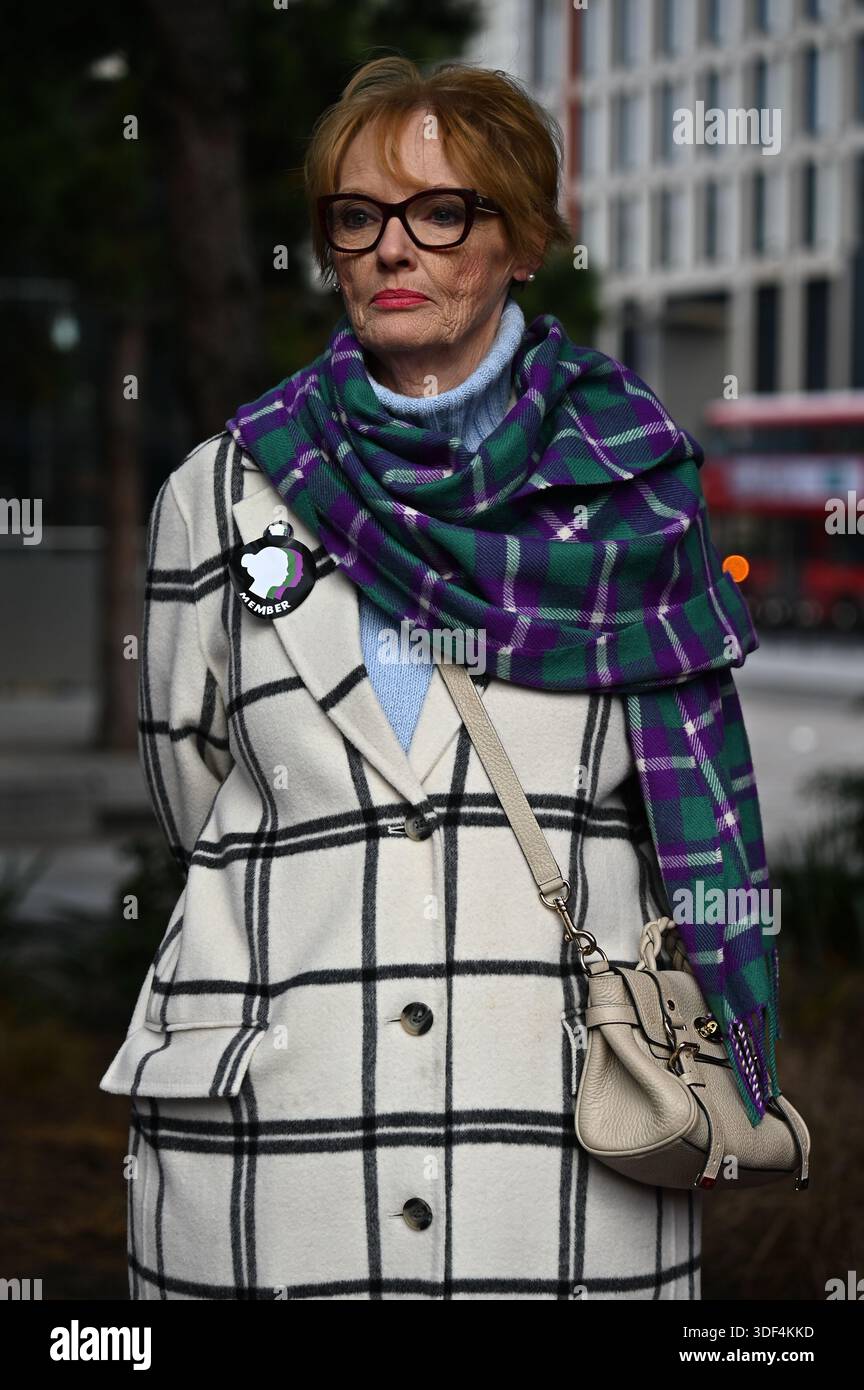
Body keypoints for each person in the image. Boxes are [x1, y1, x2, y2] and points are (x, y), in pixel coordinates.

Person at [100, 57, 783, 1301]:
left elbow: (682, 827)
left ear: (520, 240)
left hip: (566, 1148)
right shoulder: (218, 489)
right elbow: (194, 788)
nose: (391, 247)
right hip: (272, 1141)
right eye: (357, 216)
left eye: (441, 210)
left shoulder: (636, 494)